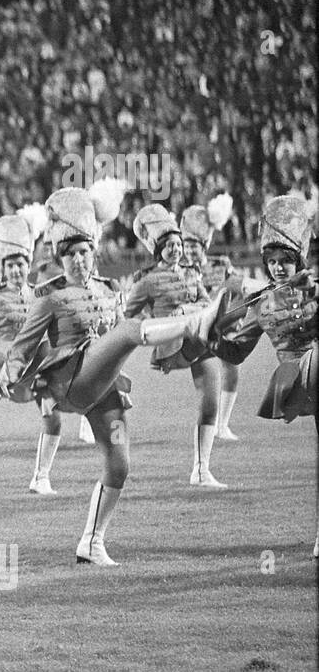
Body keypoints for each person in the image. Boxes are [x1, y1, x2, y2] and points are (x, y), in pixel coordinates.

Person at [0, 184, 226, 566]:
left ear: (94, 253)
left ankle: (92, 540)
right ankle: (194, 325)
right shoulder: (49, 297)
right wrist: (10, 373)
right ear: (61, 259)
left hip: (102, 388)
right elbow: (23, 345)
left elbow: (122, 335)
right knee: (128, 331)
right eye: (71, 256)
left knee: (119, 462)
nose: (79, 261)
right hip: (73, 380)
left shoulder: (107, 290)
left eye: (85, 253)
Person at [207, 195, 317, 555]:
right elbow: (237, 350)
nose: (278, 268)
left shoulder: (314, 286)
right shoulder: (263, 302)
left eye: (285, 261)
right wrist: (211, 342)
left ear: (298, 258)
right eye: (271, 262)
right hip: (296, 378)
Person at [0, 205, 67, 494]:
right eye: (11, 265)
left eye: (22, 264)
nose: (18, 269)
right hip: (10, 366)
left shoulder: (39, 294)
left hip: (39, 366)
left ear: (28, 265)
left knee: (54, 417)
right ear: (4, 269)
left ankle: (41, 476)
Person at [124, 203, 225, 487]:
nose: (176, 250)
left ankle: (202, 469)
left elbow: (206, 302)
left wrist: (190, 309)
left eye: (178, 245)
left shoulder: (193, 273)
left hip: (198, 339)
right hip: (172, 347)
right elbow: (130, 315)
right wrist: (163, 322)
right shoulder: (147, 281)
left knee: (210, 401)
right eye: (169, 246)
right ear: (158, 249)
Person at [180, 196, 245, 441]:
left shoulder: (222, 264)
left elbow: (238, 288)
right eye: (186, 246)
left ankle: (223, 425)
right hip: (197, 331)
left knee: (232, 368)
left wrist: (235, 314)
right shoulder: (182, 271)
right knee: (206, 383)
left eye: (193, 246)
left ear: (204, 245)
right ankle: (209, 425)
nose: (189, 251)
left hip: (221, 327)